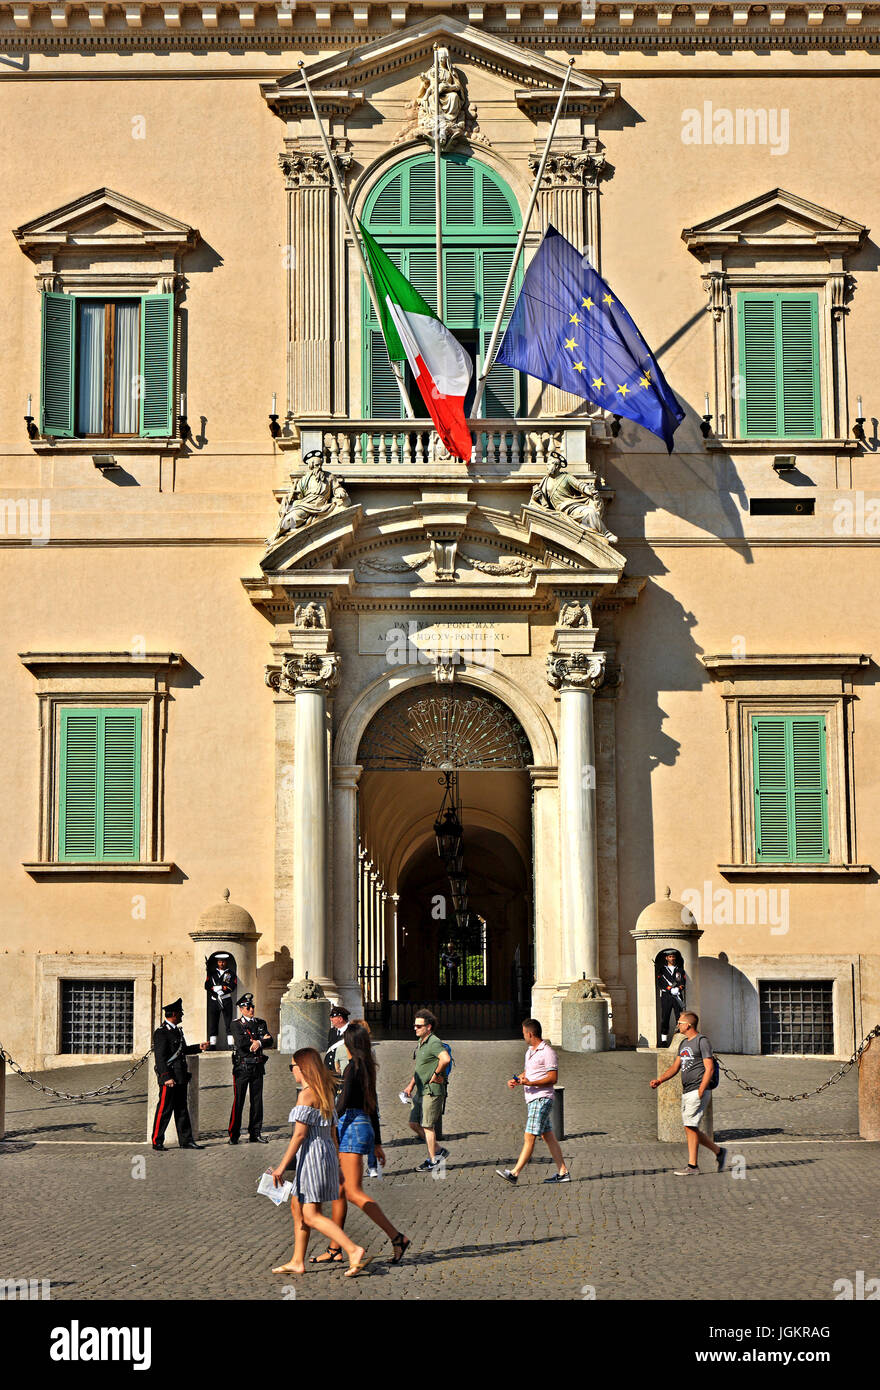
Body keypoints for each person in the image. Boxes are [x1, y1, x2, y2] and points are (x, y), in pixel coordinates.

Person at [269, 1047, 371, 1278]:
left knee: (311, 1214)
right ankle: (297, 1260)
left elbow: (299, 1135)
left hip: (312, 1155)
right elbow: (334, 1132)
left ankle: (353, 1249)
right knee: (297, 1207)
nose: (292, 1071)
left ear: (302, 1068)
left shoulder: (306, 1094)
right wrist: (336, 1161)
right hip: (324, 1152)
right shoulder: (325, 1090)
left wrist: (281, 1167)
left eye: (292, 1066)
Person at [329, 1022, 411, 1265]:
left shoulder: (352, 1068)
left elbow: (342, 1104)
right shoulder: (366, 1067)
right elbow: (373, 1107)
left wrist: (326, 1122)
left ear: (348, 1043)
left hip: (351, 1127)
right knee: (340, 1190)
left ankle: (397, 1237)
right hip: (363, 1124)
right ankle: (335, 1248)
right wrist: (377, 1142)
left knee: (353, 1192)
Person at [651, 1010, 727, 1177]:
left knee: (690, 1126)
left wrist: (701, 1089)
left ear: (688, 1025)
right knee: (690, 1127)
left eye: (680, 1022)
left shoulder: (702, 1041)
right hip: (687, 1090)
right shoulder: (684, 1043)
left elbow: (709, 1068)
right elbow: (674, 1067)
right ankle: (718, 1152)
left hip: (697, 1089)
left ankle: (693, 1165)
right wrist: (660, 1080)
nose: (677, 1025)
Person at [496, 1018, 570, 1185]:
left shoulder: (548, 1052)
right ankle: (563, 1171)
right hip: (532, 1099)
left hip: (542, 1098)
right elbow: (529, 1071)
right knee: (548, 1136)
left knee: (529, 1136)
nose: (523, 1037)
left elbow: (553, 1078)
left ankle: (514, 1173)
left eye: (523, 1034)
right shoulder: (530, 1051)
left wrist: (530, 1083)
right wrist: (518, 1079)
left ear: (530, 1034)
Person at [151, 998, 209, 1151]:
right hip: (170, 1078)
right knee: (164, 1109)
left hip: (181, 1076)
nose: (182, 1015)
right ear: (174, 1014)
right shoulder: (161, 1033)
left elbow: (181, 1051)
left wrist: (198, 1047)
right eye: (181, 1013)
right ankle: (157, 1140)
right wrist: (165, 1077)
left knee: (182, 1109)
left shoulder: (177, 1030)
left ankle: (186, 1141)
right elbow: (160, 1058)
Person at [403, 1009, 450, 1172]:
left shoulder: (434, 1042)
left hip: (432, 1090)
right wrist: (411, 1085)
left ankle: (434, 1160)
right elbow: (420, 1068)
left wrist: (436, 1074)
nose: (415, 1028)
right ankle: (438, 1150)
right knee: (413, 1123)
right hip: (420, 1090)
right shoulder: (421, 1042)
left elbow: (445, 1059)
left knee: (428, 1126)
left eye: (418, 1026)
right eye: (414, 1026)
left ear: (428, 1027)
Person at [227, 993, 273, 1145]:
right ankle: (234, 1135)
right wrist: (259, 1041)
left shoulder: (260, 1022)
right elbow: (241, 1042)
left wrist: (258, 1042)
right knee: (239, 1101)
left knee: (257, 1101)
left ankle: (255, 1132)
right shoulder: (236, 1024)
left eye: (252, 1006)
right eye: (248, 1007)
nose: (251, 1009)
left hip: (258, 1066)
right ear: (241, 1009)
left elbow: (270, 1040)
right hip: (242, 1066)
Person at [204, 951, 237, 1048]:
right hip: (214, 1000)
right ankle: (213, 1044)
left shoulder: (230, 974)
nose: (221, 964)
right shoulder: (212, 974)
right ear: (217, 963)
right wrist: (214, 990)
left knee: (228, 1022)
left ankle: (230, 1044)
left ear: (226, 962)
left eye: (223, 962)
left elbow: (233, 985)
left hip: (226, 1000)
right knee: (213, 1022)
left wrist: (223, 990)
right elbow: (207, 985)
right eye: (219, 962)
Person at [657, 950, 687, 1044]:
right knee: (665, 1018)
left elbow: (682, 982)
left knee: (679, 1018)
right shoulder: (662, 970)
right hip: (666, 996)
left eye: (673, 957)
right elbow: (660, 983)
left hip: (677, 996)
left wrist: (679, 988)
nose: (672, 958)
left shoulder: (680, 970)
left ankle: (679, 1039)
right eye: (670, 957)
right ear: (666, 958)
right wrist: (669, 989)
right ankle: (663, 1041)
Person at [324, 1004, 350, 1072]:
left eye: (332, 1016)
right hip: (331, 1070)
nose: (330, 1019)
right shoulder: (332, 1031)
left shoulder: (352, 1031)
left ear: (340, 1019)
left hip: (344, 1069)